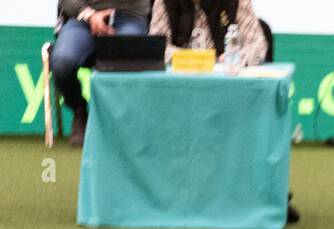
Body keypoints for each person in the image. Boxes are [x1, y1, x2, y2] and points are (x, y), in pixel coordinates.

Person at [51, 1, 152, 147]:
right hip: (83, 18)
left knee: (127, 60)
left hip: (131, 16)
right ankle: (79, 111)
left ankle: (117, 123)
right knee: (62, 62)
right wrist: (90, 15)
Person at [150, 0, 267, 68]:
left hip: (225, 81)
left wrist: (239, 57)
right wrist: (188, 58)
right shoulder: (164, 2)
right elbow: (155, 47)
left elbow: (257, 44)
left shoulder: (237, 2)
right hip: (179, 81)